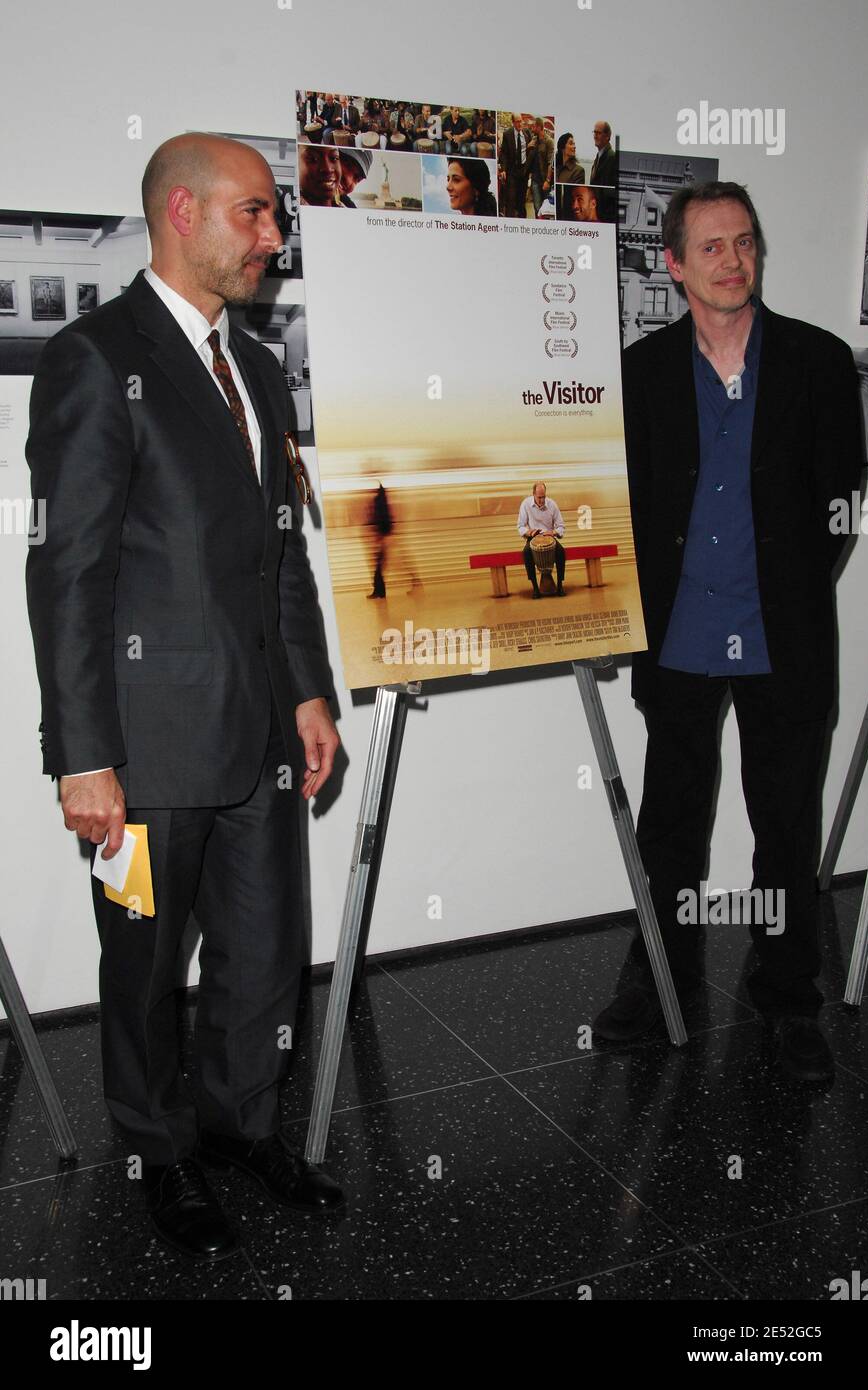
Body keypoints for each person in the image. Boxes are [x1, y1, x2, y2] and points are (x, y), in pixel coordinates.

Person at [25, 133, 345, 1262]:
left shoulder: (254, 367)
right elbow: (67, 569)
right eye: (255, 214)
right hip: (147, 746)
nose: (273, 237)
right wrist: (82, 756)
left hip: (259, 728)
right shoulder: (92, 356)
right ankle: (159, 1155)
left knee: (263, 951)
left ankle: (239, 1125)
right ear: (180, 210)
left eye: (272, 218)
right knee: (148, 964)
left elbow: (279, 556)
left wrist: (308, 692)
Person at [592, 182, 864, 1083]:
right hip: (676, 636)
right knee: (671, 821)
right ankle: (657, 979)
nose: (732, 261)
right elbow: (621, 504)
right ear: (673, 264)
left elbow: (839, 505)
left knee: (783, 825)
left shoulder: (821, 363)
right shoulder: (639, 371)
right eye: (710, 247)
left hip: (782, 637)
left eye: (744, 242)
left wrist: (782, 588)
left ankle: (788, 995)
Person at [518, 482, 566, 597]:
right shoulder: (525, 504)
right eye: (539, 497)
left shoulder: (552, 504)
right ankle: (535, 588)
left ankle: (560, 586)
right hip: (533, 537)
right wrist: (529, 532)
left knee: (561, 552)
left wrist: (553, 532)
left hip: (549, 537)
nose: (541, 500)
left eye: (543, 497)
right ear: (533, 494)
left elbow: (561, 527)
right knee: (526, 553)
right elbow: (520, 526)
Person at [498, 113, 533, 218]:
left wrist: (529, 147)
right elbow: (503, 153)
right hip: (512, 170)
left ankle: (522, 223)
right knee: (511, 199)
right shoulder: (507, 134)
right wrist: (503, 169)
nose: (520, 123)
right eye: (517, 121)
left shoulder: (527, 133)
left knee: (522, 200)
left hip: (524, 171)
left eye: (521, 121)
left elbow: (532, 149)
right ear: (513, 123)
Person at [529, 118, 554, 216]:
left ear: (539, 127)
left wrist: (548, 180)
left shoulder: (549, 142)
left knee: (546, 209)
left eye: (534, 126)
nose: (532, 128)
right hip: (535, 179)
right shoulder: (534, 140)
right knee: (537, 207)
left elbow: (550, 163)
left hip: (544, 180)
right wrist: (528, 147)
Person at [590, 120, 617, 185]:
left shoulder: (612, 157)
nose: (595, 136)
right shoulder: (598, 157)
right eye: (594, 132)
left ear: (607, 136)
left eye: (598, 133)